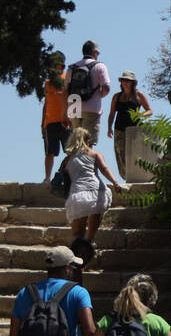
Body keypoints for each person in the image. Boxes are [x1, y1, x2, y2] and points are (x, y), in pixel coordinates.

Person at [62, 127, 128, 243]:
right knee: (90, 232)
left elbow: (62, 177)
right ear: (87, 141)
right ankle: (89, 243)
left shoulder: (67, 159)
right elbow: (104, 169)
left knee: (77, 235)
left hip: (77, 195)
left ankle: (78, 253)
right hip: (96, 192)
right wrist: (115, 182)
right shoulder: (94, 154)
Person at [106, 71, 152, 179]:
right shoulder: (116, 97)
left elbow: (150, 111)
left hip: (135, 130)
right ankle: (126, 177)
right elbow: (112, 113)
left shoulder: (139, 95)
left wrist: (141, 114)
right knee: (120, 155)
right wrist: (109, 128)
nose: (125, 83)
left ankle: (137, 177)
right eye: (123, 80)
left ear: (132, 82)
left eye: (128, 81)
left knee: (135, 155)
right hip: (119, 129)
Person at [65, 40, 110, 147]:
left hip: (74, 108)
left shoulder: (72, 68)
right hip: (92, 108)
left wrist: (65, 111)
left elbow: (65, 90)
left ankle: (76, 162)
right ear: (94, 53)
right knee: (88, 143)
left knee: (76, 143)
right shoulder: (100, 66)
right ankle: (86, 163)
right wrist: (99, 95)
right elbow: (106, 88)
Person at [41, 53, 70, 181]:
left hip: (65, 121)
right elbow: (46, 103)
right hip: (50, 122)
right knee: (49, 152)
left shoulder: (67, 79)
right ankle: (47, 178)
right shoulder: (47, 83)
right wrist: (43, 123)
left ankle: (69, 177)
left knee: (70, 151)